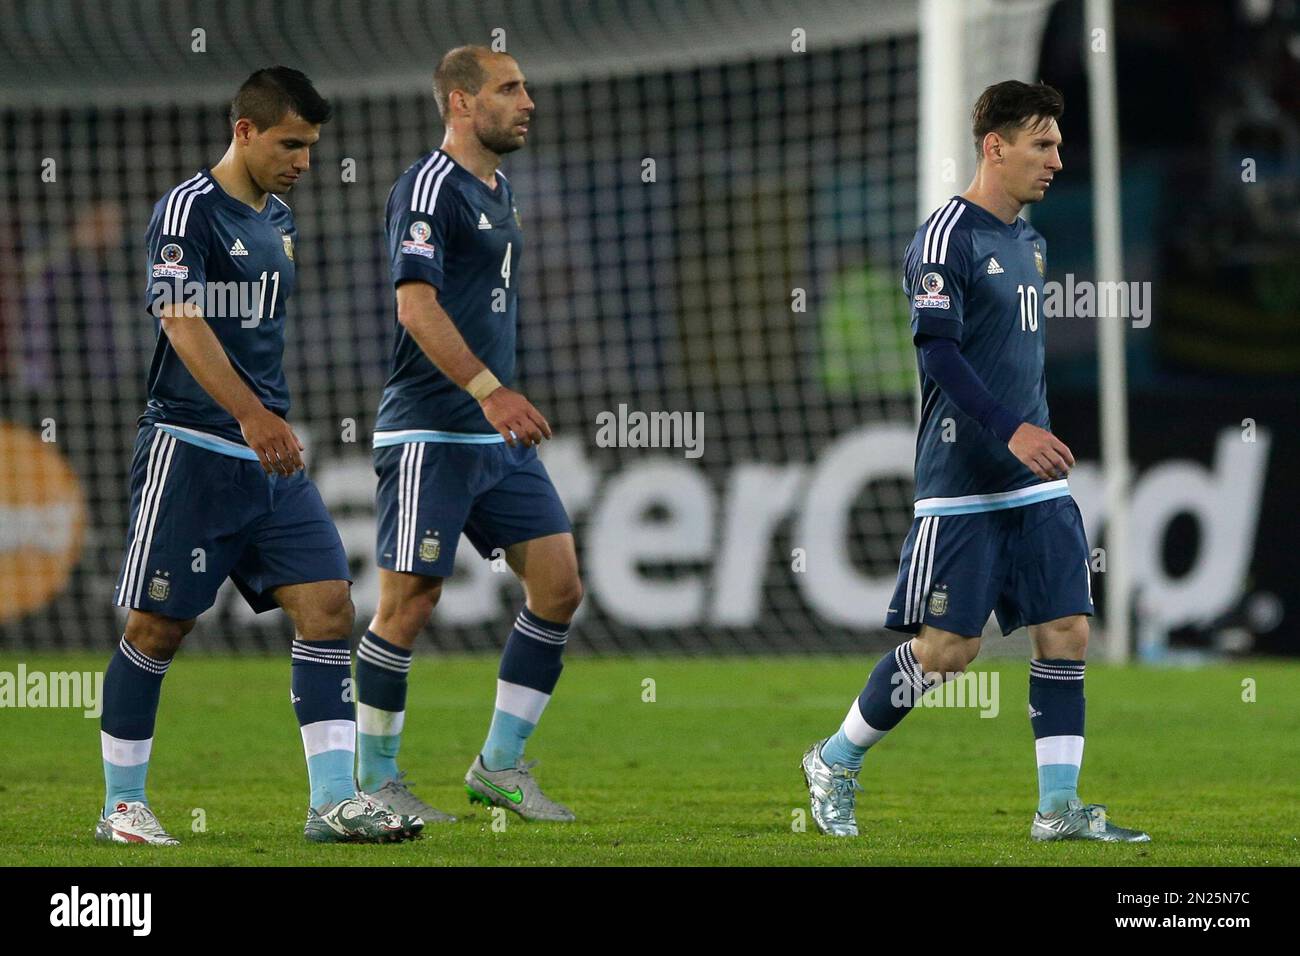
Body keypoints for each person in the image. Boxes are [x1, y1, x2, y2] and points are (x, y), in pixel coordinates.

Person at [801, 80, 1149, 843]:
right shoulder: (944, 237)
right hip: (961, 486)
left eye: (1058, 144)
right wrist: (1011, 429)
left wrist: (1033, 437)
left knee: (1066, 631)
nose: (1057, 159)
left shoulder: (1030, 240)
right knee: (945, 652)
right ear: (995, 146)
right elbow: (939, 353)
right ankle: (834, 760)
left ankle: (1057, 810)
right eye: (1043, 144)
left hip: (1035, 487)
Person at [99, 67, 421, 845]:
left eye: (311, 146)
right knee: (155, 629)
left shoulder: (280, 218)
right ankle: (122, 808)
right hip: (194, 447)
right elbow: (180, 320)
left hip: (266, 458)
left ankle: (334, 802)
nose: (304, 160)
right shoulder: (187, 211)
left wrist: (263, 419)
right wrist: (250, 414)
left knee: (329, 608)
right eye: (290, 143)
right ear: (244, 131)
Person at [358, 46, 582, 824]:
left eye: (525, 85)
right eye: (509, 89)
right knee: (409, 603)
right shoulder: (426, 189)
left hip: (493, 440)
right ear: (460, 102)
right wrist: (490, 391)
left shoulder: (501, 188)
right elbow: (414, 308)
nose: (528, 101)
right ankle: (374, 779)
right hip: (431, 432)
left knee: (559, 586)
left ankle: (499, 766)